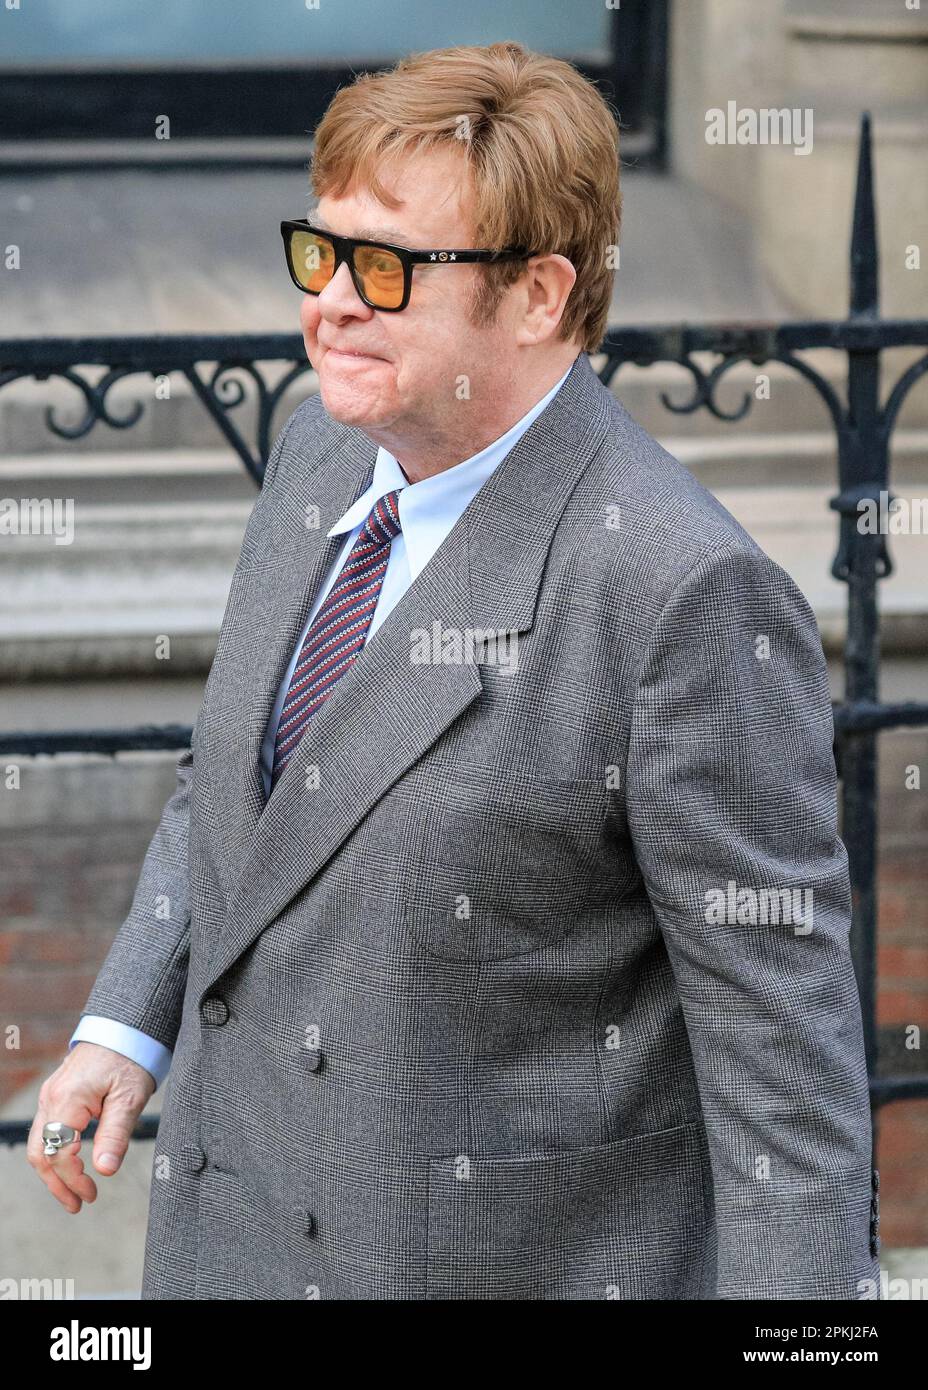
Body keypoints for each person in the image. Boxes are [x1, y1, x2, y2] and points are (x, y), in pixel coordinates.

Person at [29, 41, 880, 1300]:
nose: (328, 304)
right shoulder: (323, 447)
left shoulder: (681, 592)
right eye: (319, 253)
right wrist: (126, 1019)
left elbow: (785, 1078)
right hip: (232, 1247)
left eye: (383, 267)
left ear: (538, 295)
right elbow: (239, 781)